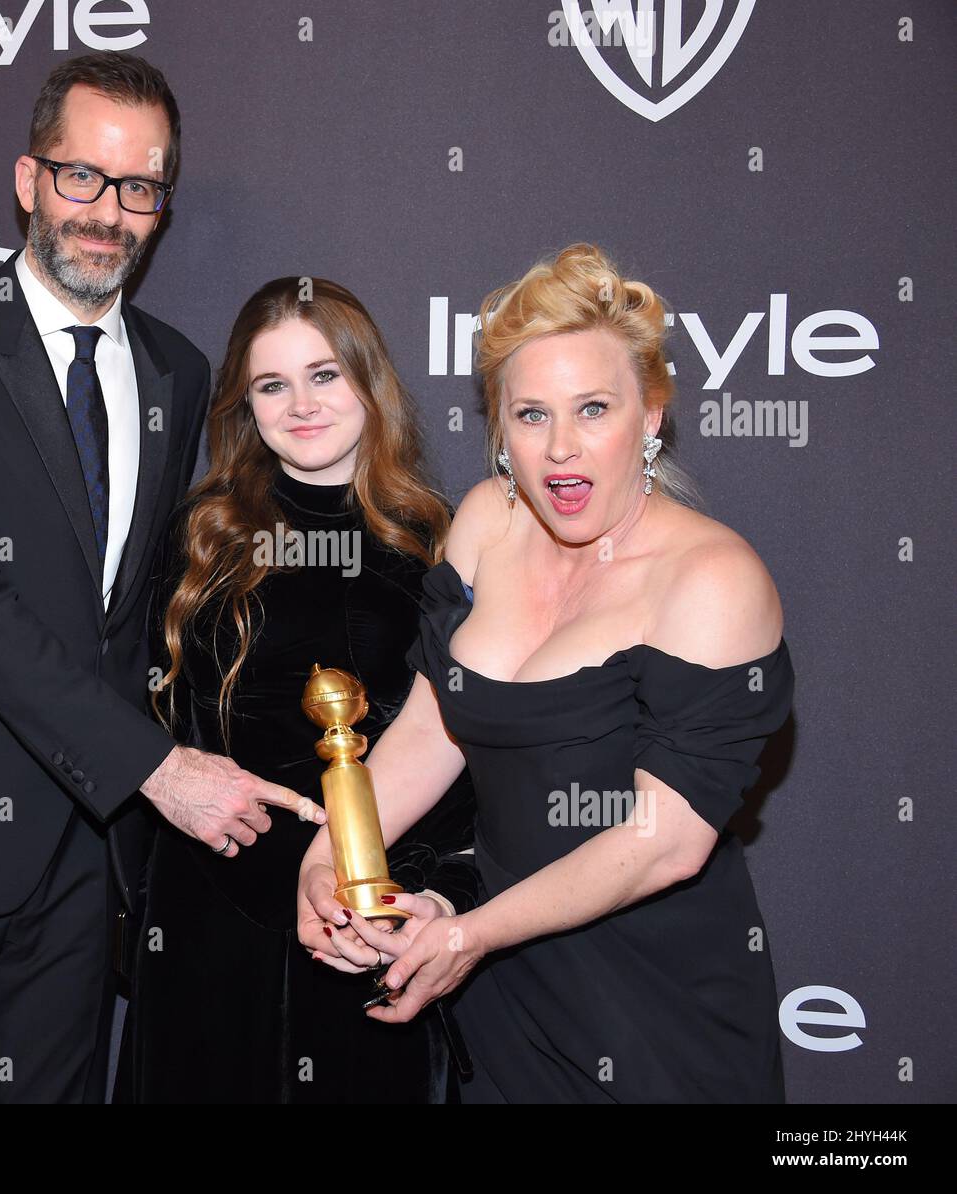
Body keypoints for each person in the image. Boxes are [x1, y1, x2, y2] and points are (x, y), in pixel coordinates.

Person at [0, 52, 322, 1105]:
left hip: (90, 858)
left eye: (139, 187)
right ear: (27, 178)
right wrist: (156, 769)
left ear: (161, 206)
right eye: (81, 176)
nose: (108, 212)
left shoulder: (178, 374)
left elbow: (144, 616)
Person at [298, 243, 795, 1103]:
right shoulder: (488, 522)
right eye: (531, 416)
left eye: (594, 408)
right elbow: (430, 729)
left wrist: (475, 935)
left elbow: (663, 843)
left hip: (654, 1005)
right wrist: (328, 858)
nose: (561, 449)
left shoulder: (713, 578)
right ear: (499, 426)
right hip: (504, 995)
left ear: (651, 415)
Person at [114, 278, 477, 1103]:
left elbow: (461, 748)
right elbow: (163, 735)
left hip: (375, 919)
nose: (300, 404)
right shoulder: (200, 536)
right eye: (272, 384)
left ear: (368, 380)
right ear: (246, 404)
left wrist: (423, 897)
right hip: (216, 907)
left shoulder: (442, 544)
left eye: (324, 375)